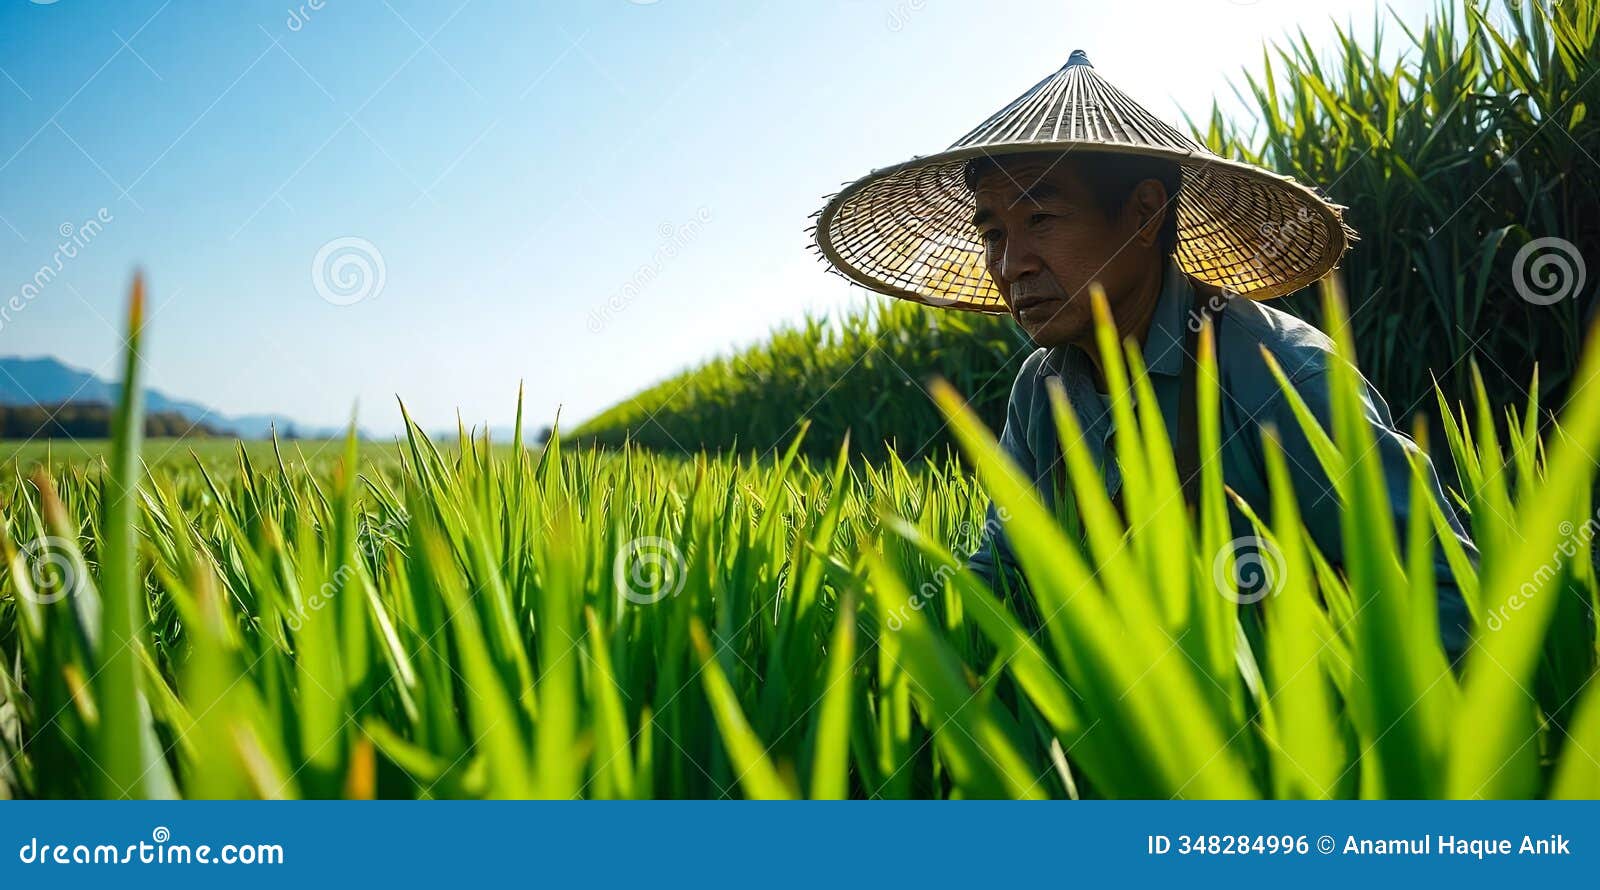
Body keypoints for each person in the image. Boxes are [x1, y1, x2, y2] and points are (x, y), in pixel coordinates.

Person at [813, 50, 1472, 657]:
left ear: (1144, 213)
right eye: (993, 233)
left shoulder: (1282, 374)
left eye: (1040, 220)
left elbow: (1445, 596)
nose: (1011, 265)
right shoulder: (1042, 390)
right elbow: (1008, 569)